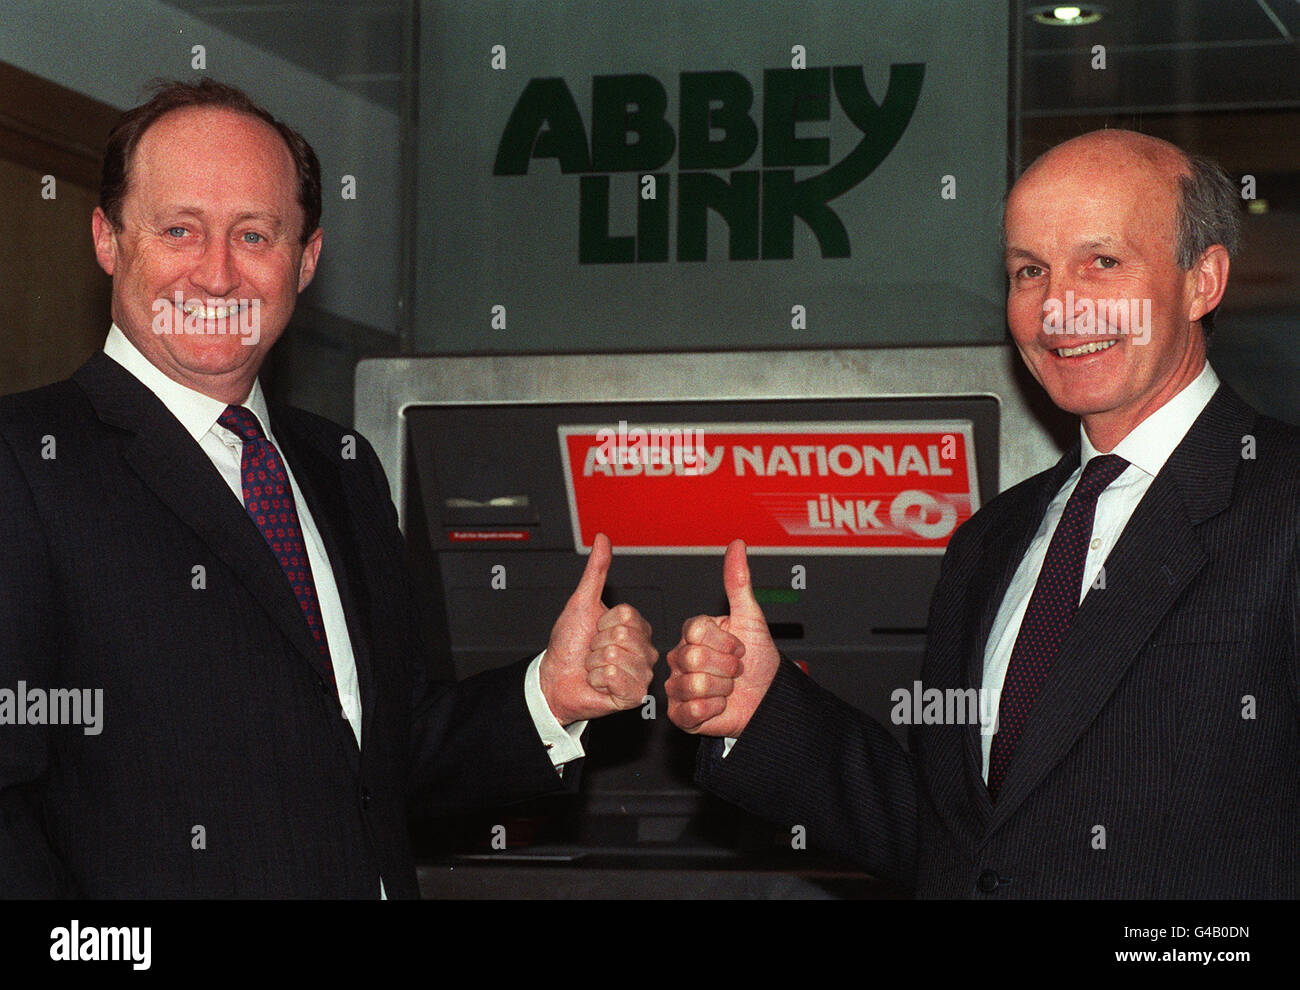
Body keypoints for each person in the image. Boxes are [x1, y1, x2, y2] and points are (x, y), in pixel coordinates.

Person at [0, 78, 656, 898]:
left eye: (254, 235)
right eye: (178, 230)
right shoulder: (24, 463)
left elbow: (383, 761)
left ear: (306, 259)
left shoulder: (340, 465)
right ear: (107, 238)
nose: (216, 276)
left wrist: (548, 697)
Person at [666, 129, 1300, 898]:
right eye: (1030, 270)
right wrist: (764, 713)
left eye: (1101, 262)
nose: (1057, 307)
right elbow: (957, 844)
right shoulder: (991, 541)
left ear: (1204, 280)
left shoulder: (1281, 502)